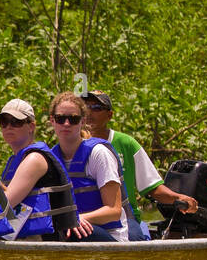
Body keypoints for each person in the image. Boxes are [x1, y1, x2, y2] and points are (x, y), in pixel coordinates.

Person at [81, 91, 198, 240]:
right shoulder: (72, 143)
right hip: (83, 214)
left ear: (109, 115)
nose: (89, 112)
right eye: (85, 107)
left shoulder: (126, 144)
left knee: (133, 240)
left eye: (97, 108)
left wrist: (178, 197)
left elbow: (153, 187)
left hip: (123, 216)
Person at [0, 99, 78, 240]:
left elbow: (4, 205)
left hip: (47, 244)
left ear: (31, 126)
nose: (9, 127)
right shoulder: (14, 160)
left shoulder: (34, 159)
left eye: (16, 122)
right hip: (27, 241)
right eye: (4, 122)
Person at [46, 92, 126, 242]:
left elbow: (114, 210)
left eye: (74, 119)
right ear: (52, 121)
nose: (67, 124)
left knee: (73, 231)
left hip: (109, 234)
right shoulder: (49, 159)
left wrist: (77, 219)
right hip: (71, 228)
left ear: (82, 121)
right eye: (60, 119)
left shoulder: (98, 154)